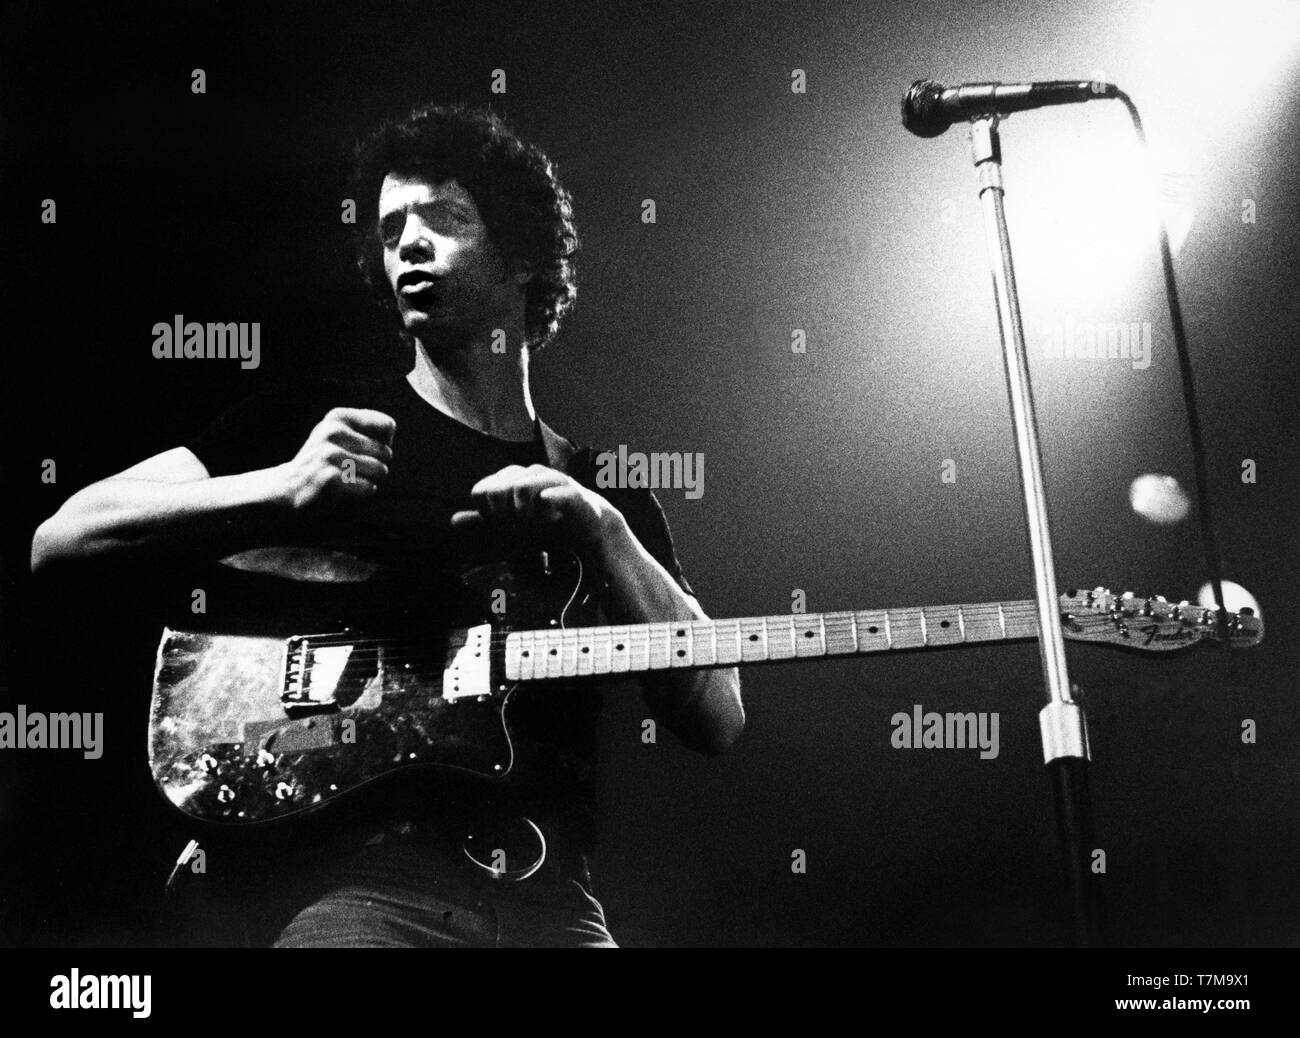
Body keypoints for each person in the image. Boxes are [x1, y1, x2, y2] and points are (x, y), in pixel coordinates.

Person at [30, 102, 744, 947]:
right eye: (391, 227)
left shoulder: (598, 491)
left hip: (554, 903)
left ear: (522, 256)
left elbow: (719, 716)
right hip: (359, 888)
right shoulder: (319, 426)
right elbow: (63, 539)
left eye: (443, 218)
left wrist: (602, 530)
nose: (408, 243)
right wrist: (281, 490)